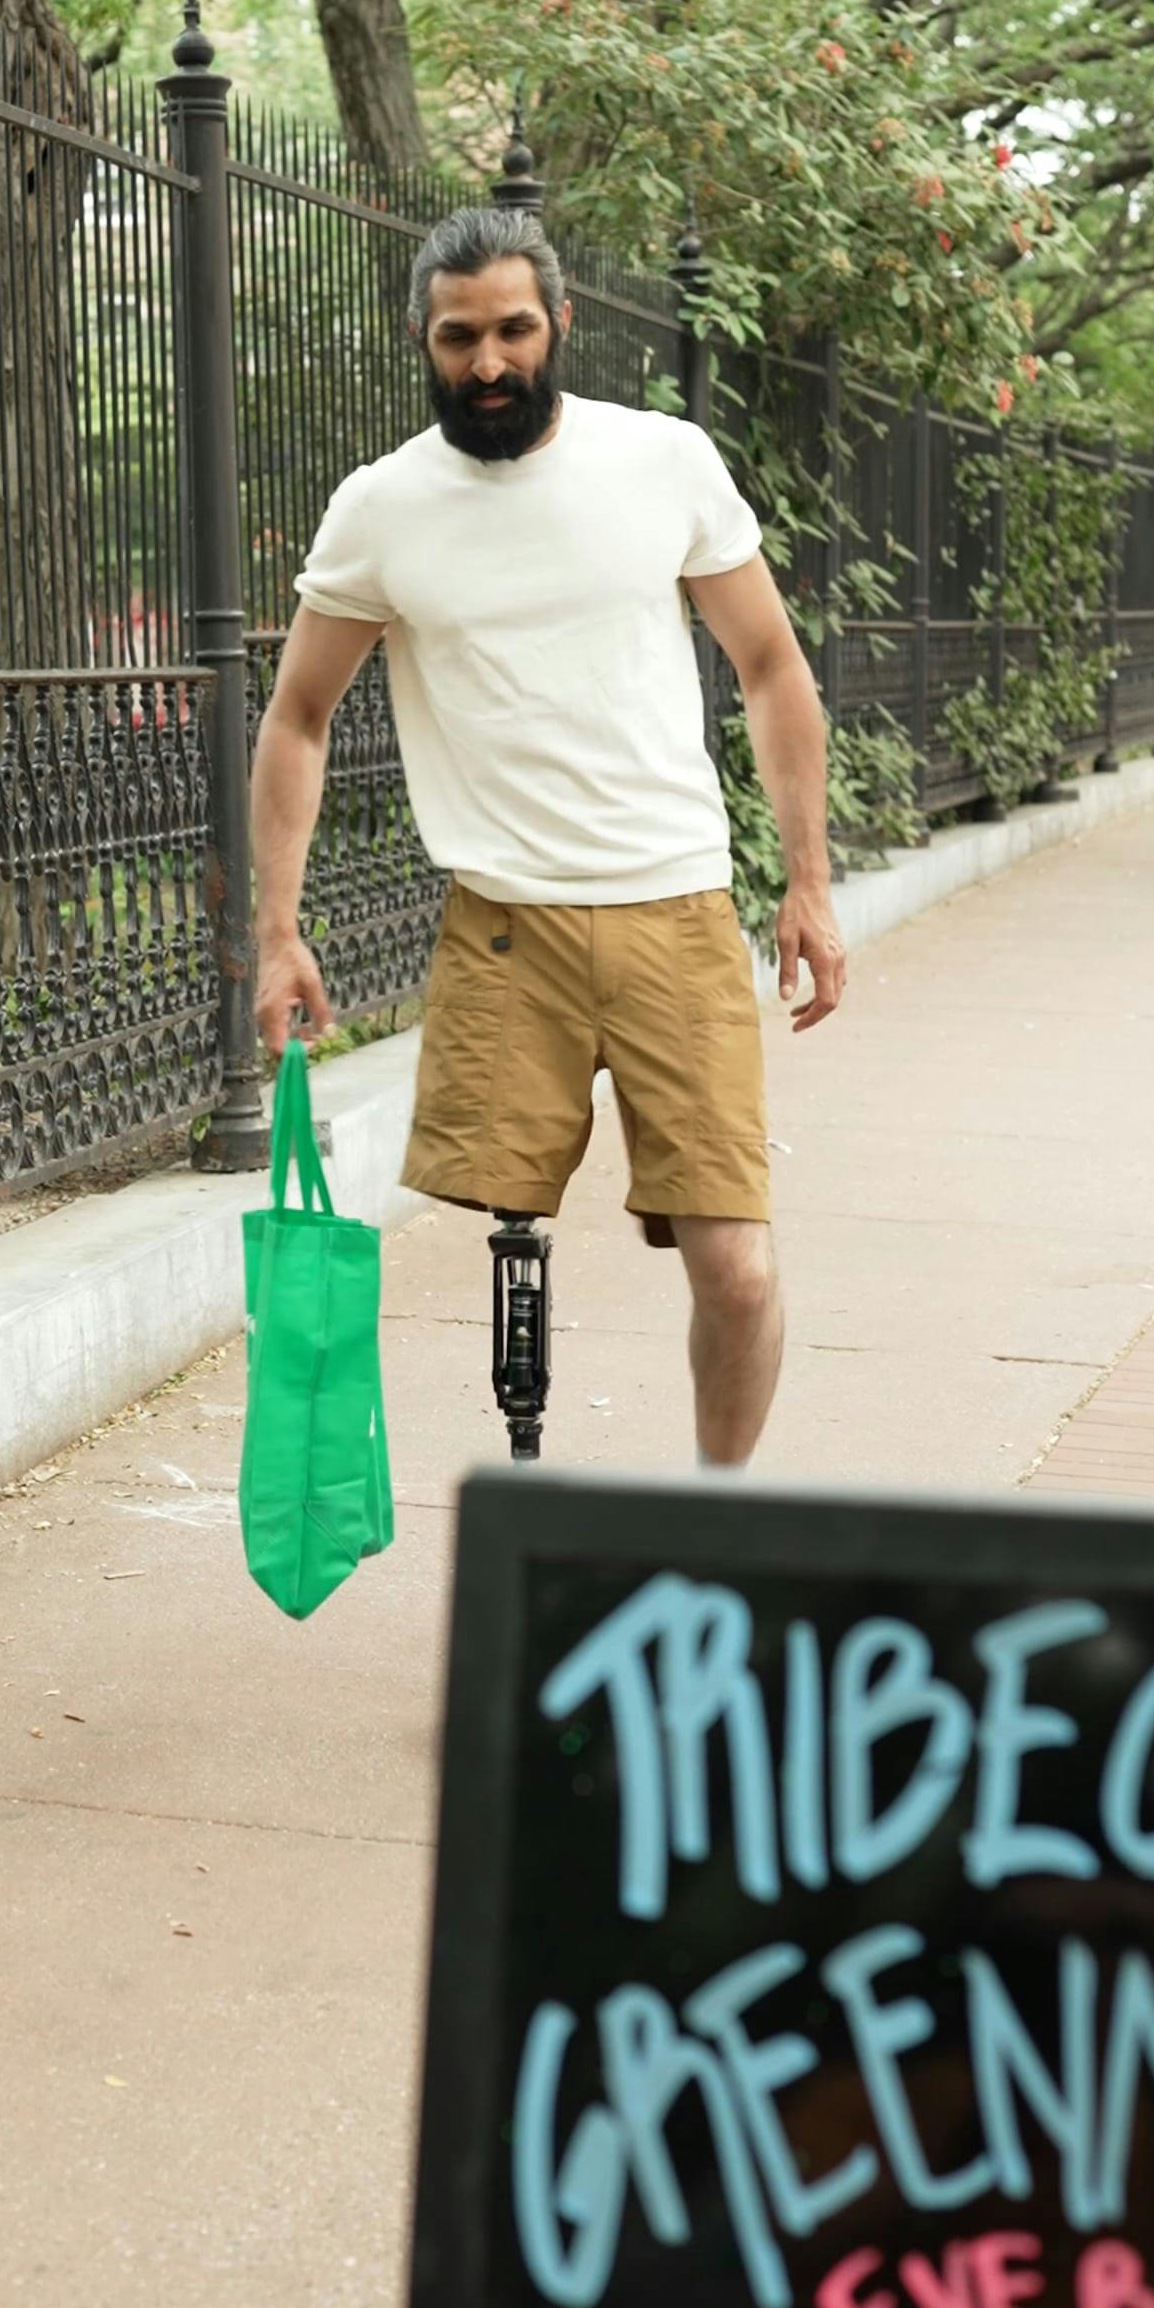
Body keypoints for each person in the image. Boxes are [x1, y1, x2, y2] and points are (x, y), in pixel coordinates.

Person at [250, 204, 845, 1468]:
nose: (488, 363)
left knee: (734, 1269)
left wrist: (808, 884)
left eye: (514, 330)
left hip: (676, 912)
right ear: (422, 338)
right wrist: (278, 932)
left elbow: (773, 669)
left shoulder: (663, 461)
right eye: (459, 337)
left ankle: (713, 1522)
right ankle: (531, 1521)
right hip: (503, 929)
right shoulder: (383, 507)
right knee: (509, 1244)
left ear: (559, 325)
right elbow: (298, 716)